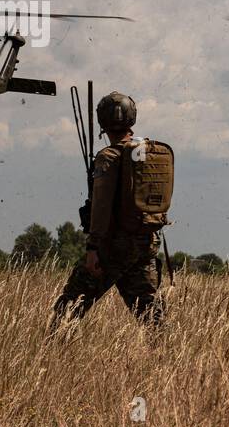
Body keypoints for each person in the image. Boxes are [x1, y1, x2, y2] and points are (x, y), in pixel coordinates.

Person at [51, 91, 170, 328]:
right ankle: (166, 355)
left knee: (70, 305)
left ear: (102, 122)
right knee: (151, 314)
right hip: (146, 243)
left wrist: (94, 247)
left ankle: (52, 351)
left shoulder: (108, 156)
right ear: (131, 119)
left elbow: (102, 207)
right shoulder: (147, 153)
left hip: (114, 246)